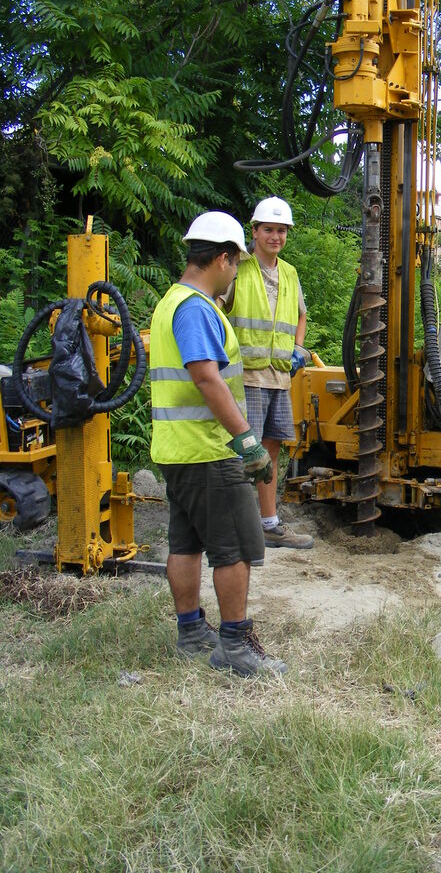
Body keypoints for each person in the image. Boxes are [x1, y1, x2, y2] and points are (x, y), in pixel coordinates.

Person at [150, 210, 287, 677]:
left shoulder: (172, 301)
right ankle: (234, 645)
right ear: (224, 259)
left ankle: (190, 632)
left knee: (185, 543)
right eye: (235, 263)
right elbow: (207, 379)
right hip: (209, 452)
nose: (235, 273)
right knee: (237, 548)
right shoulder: (196, 309)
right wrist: (247, 441)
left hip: (178, 449)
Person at [220, 195, 314, 550]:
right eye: (268, 230)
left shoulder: (288, 272)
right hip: (246, 377)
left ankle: (268, 523)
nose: (275, 236)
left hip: (278, 375)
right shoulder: (238, 268)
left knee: (271, 450)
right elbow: (216, 305)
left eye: (281, 231)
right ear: (254, 231)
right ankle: (234, 524)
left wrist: (299, 349)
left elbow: (301, 314)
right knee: (245, 451)